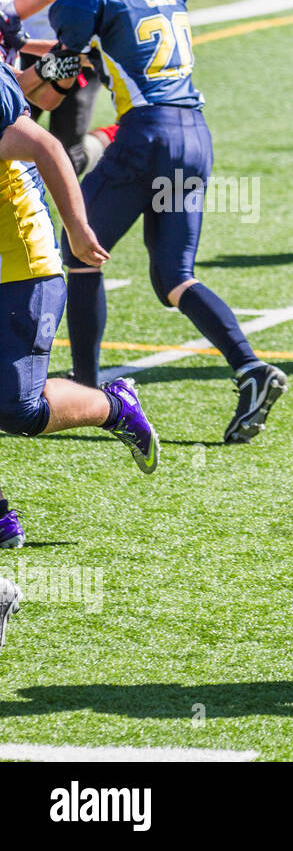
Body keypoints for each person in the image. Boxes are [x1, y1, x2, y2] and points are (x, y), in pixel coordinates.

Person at [19, 0, 285, 442]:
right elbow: (111, 50)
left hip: (145, 136)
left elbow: (63, 79)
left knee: (80, 249)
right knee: (174, 277)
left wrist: (42, 65)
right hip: (193, 132)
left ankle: (90, 385)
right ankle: (251, 368)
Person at [0, 51, 161, 553]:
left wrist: (77, 228)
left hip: (21, 260)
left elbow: (45, 146)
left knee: (16, 408)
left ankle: (115, 406)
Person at [0, 0, 117, 175]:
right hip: (21, 45)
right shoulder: (8, 11)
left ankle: (112, 136)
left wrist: (52, 61)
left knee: (67, 156)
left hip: (70, 37)